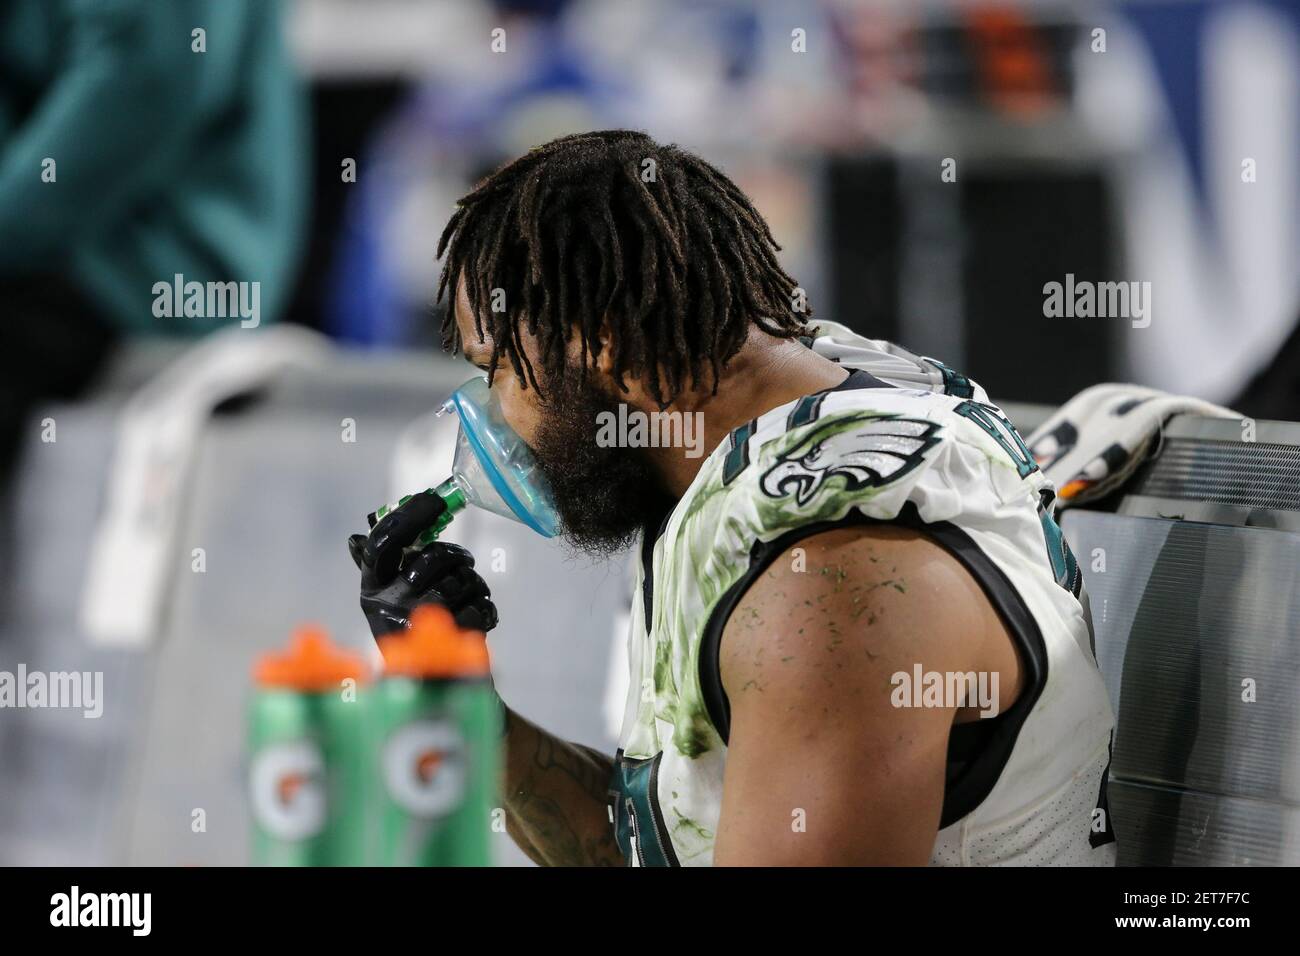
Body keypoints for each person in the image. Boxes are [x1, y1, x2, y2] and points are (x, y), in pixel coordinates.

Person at [349, 130, 1117, 866]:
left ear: (604, 345)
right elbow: (655, 848)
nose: (485, 413)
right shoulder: (751, 428)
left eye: (499, 371)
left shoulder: (830, 590)